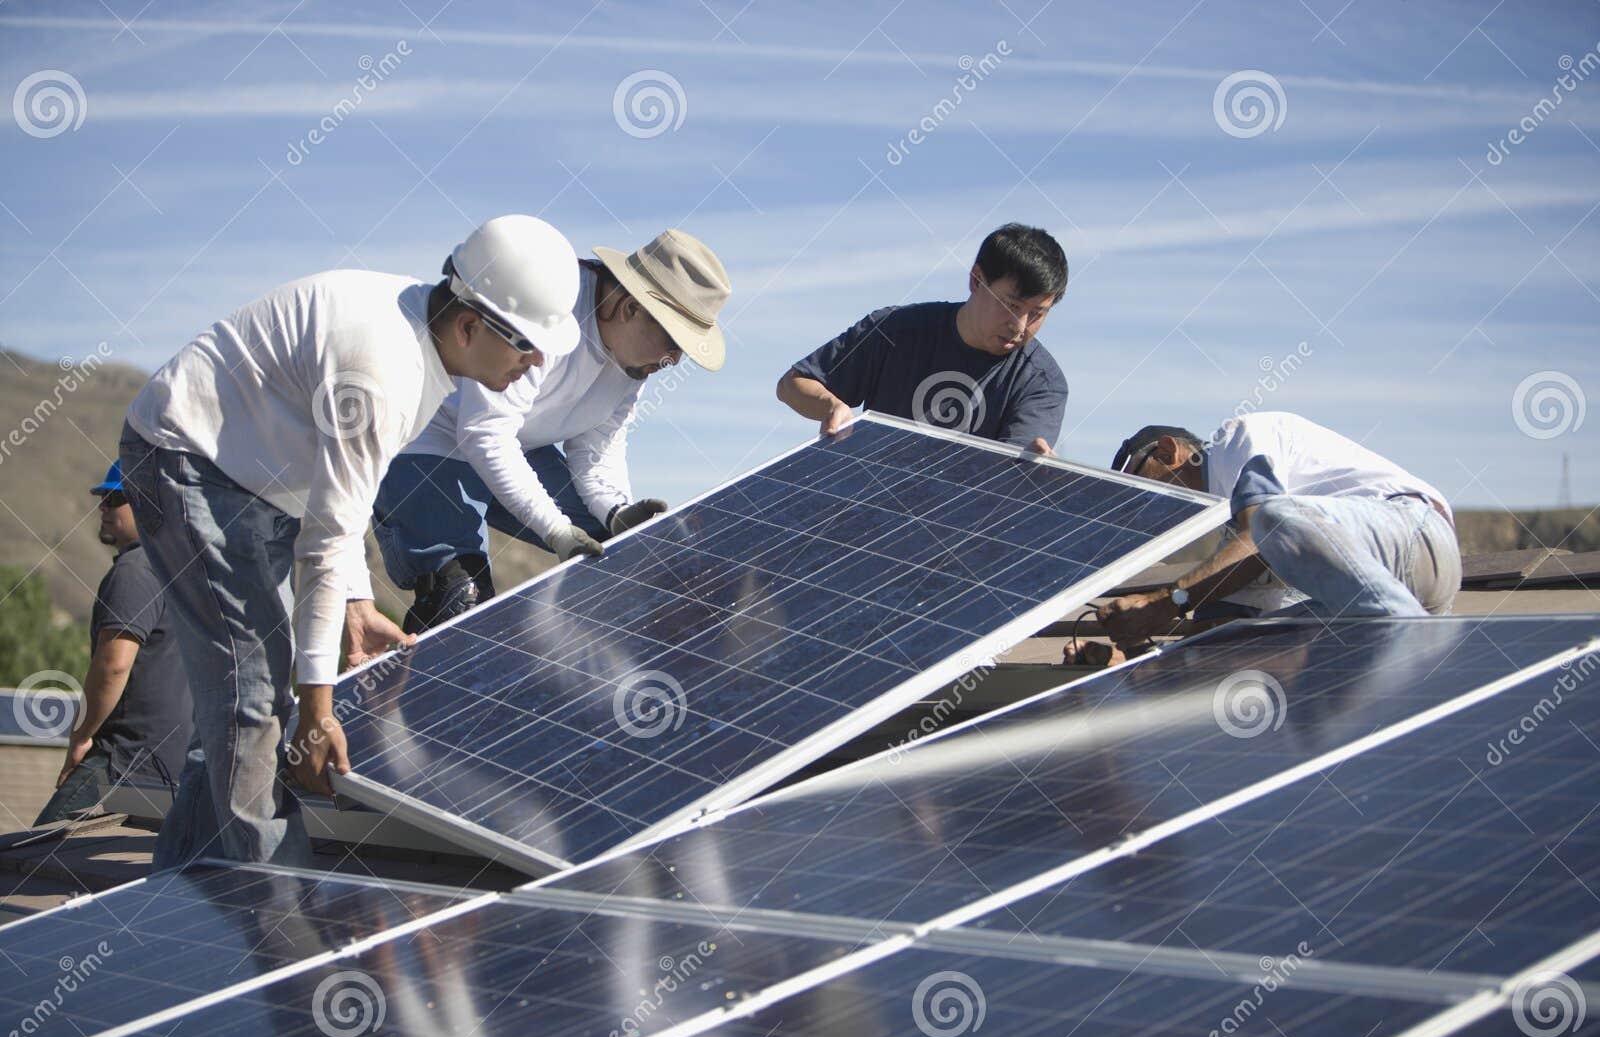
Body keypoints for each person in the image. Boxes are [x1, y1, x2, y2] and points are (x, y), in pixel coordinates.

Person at [118, 214, 581, 868]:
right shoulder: (383, 368)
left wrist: (358, 608)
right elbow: (328, 540)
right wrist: (318, 711)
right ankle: (285, 939)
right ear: (471, 325)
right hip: (186, 462)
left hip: (258, 483)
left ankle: (180, 897)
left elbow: (342, 501)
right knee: (257, 706)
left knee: (243, 707)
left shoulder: (424, 352)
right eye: (527, 345)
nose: (534, 363)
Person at [374, 228, 732, 630]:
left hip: (515, 448)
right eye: (674, 341)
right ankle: (420, 683)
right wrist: (557, 530)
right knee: (459, 600)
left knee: (623, 548)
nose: (673, 360)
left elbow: (596, 450)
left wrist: (616, 513)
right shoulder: (550, 301)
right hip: (430, 439)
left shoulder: (634, 361)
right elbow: (484, 433)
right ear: (631, 308)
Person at [1096, 411, 1461, 652]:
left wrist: (1166, 601)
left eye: (1140, 487)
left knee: (1273, 519)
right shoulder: (1235, 528)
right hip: (1388, 589)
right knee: (1246, 649)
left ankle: (1404, 635)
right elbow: (1210, 638)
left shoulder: (1236, 439)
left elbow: (1256, 539)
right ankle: (1404, 639)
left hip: (1415, 532)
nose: (1145, 506)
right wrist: (1129, 656)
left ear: (1167, 451)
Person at [776, 223, 1068, 453]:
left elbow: (1012, 475)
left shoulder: (1042, 384)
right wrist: (831, 407)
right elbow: (793, 384)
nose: (1020, 326)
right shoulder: (895, 329)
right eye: (1011, 305)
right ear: (977, 280)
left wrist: (1037, 469)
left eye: (1037, 314)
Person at [32, 463, 194, 826]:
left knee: (30, 864)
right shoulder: (186, 572)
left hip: (121, 761)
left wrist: (80, 739)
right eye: (103, 497)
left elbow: (113, 667)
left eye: (116, 498)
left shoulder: (136, 570)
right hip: (173, 770)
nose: (103, 507)